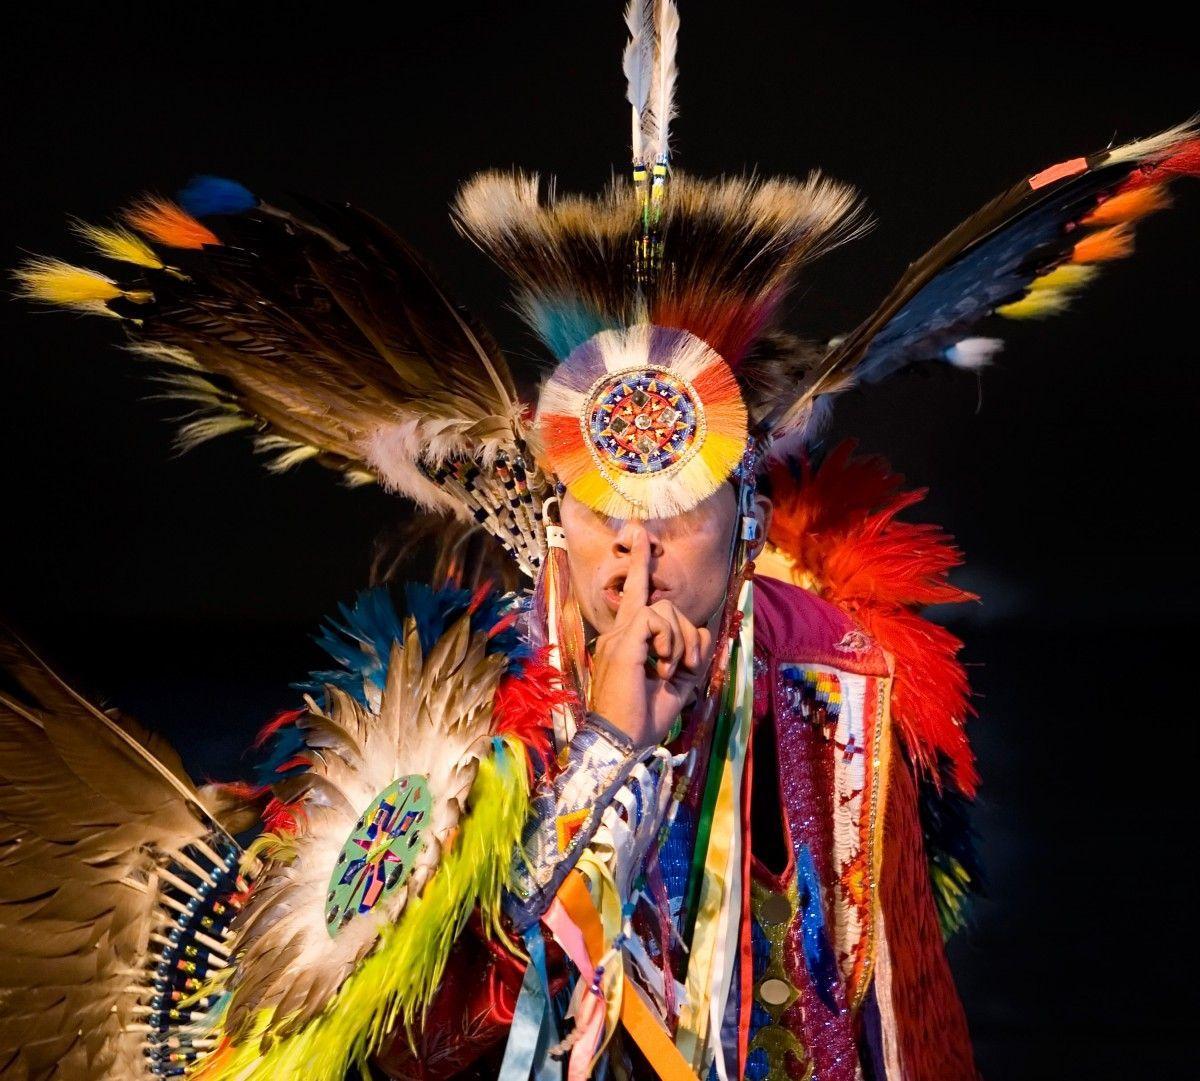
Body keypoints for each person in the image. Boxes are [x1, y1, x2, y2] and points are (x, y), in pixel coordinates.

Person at [3, 3, 1197, 1079]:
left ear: (747, 527)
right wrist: (609, 749)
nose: (637, 560)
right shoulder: (445, 710)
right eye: (601, 522)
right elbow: (420, 1042)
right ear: (547, 527)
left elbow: (889, 1005)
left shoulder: (846, 685)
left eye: (678, 520)